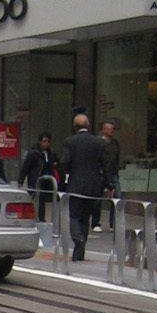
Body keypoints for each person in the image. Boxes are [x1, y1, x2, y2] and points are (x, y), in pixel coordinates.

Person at [58, 112, 107, 261]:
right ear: (88, 126)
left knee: (73, 215)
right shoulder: (99, 142)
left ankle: (78, 238)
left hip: (76, 184)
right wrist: (107, 184)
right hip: (93, 185)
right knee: (86, 217)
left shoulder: (70, 142)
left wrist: (64, 173)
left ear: (74, 127)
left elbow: (65, 162)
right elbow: (105, 164)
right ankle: (80, 252)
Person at [19, 132, 59, 221]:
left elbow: (56, 162)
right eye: (44, 141)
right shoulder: (33, 154)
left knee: (42, 199)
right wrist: (21, 180)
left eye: (48, 141)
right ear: (40, 142)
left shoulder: (51, 152)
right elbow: (25, 167)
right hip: (36, 179)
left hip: (46, 179)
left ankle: (41, 217)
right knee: (32, 198)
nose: (46, 143)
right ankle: (27, 216)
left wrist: (55, 164)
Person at [99, 120, 121, 230]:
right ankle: (95, 222)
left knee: (118, 196)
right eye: (109, 129)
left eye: (112, 129)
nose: (111, 131)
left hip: (113, 173)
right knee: (97, 197)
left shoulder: (115, 143)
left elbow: (117, 158)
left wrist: (116, 171)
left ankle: (113, 223)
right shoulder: (99, 143)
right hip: (102, 172)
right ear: (104, 130)